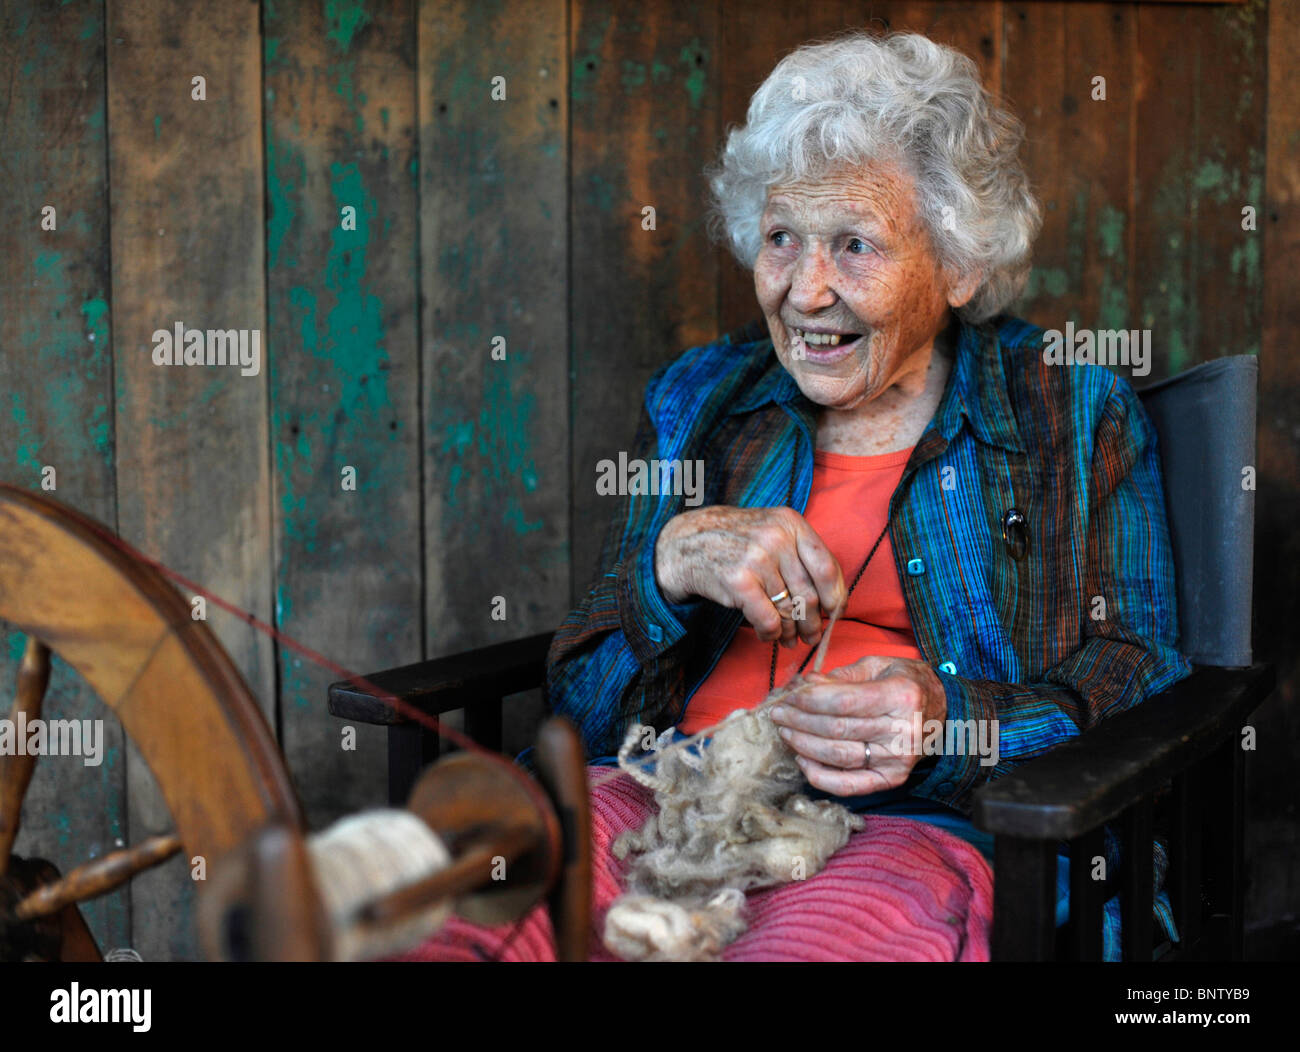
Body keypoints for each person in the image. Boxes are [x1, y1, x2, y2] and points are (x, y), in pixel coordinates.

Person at [537, 28, 1191, 962]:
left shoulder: (1073, 408)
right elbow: (580, 708)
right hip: (664, 794)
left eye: (854, 245)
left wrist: (950, 724)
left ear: (958, 264)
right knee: (484, 920)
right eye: (781, 240)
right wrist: (668, 566)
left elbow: (1142, 672)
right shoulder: (697, 402)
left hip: (913, 828)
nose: (806, 292)